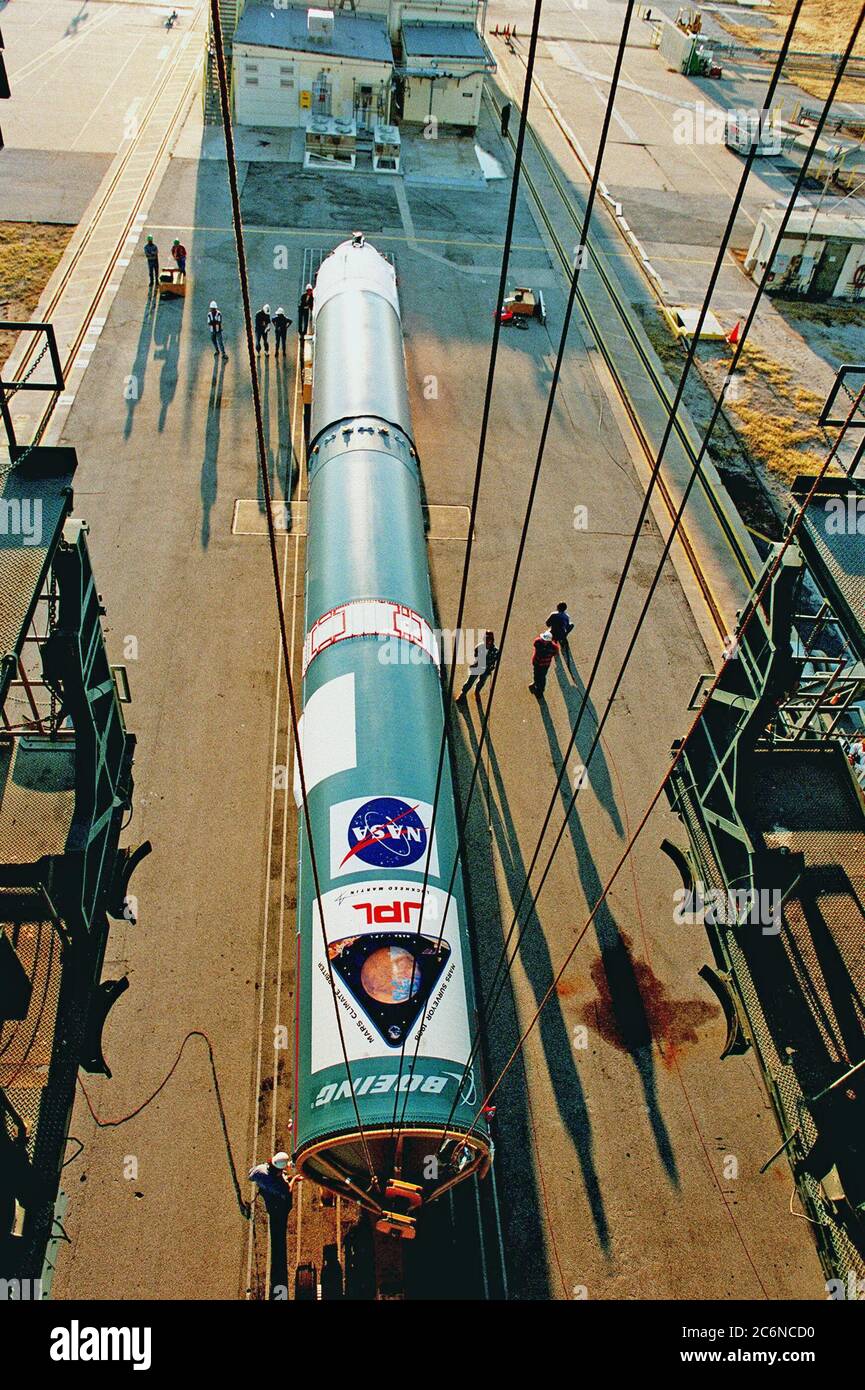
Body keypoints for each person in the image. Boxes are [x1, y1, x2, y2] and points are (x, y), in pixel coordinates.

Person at [249, 1151, 300, 1296]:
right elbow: (287, 1191)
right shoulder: (278, 1184)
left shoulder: (260, 1170)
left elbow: (250, 1175)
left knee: (276, 1232)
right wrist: (294, 1179)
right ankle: (278, 1274)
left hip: (270, 1202)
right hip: (279, 1207)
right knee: (279, 1238)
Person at [457, 630, 499, 701]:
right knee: (470, 681)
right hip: (478, 667)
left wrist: (491, 667)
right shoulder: (479, 647)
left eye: (490, 639)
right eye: (487, 639)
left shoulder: (495, 651)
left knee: (482, 682)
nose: (488, 641)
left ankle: (477, 692)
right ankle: (463, 693)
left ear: (492, 640)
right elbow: (475, 656)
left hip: (487, 669)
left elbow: (496, 659)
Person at [529, 629, 559, 698]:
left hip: (544, 665)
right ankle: (535, 682)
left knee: (542, 678)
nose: (544, 641)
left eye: (546, 640)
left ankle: (540, 692)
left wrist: (545, 650)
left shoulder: (553, 647)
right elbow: (538, 649)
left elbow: (554, 653)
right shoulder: (538, 642)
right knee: (536, 675)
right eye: (543, 639)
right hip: (536, 663)